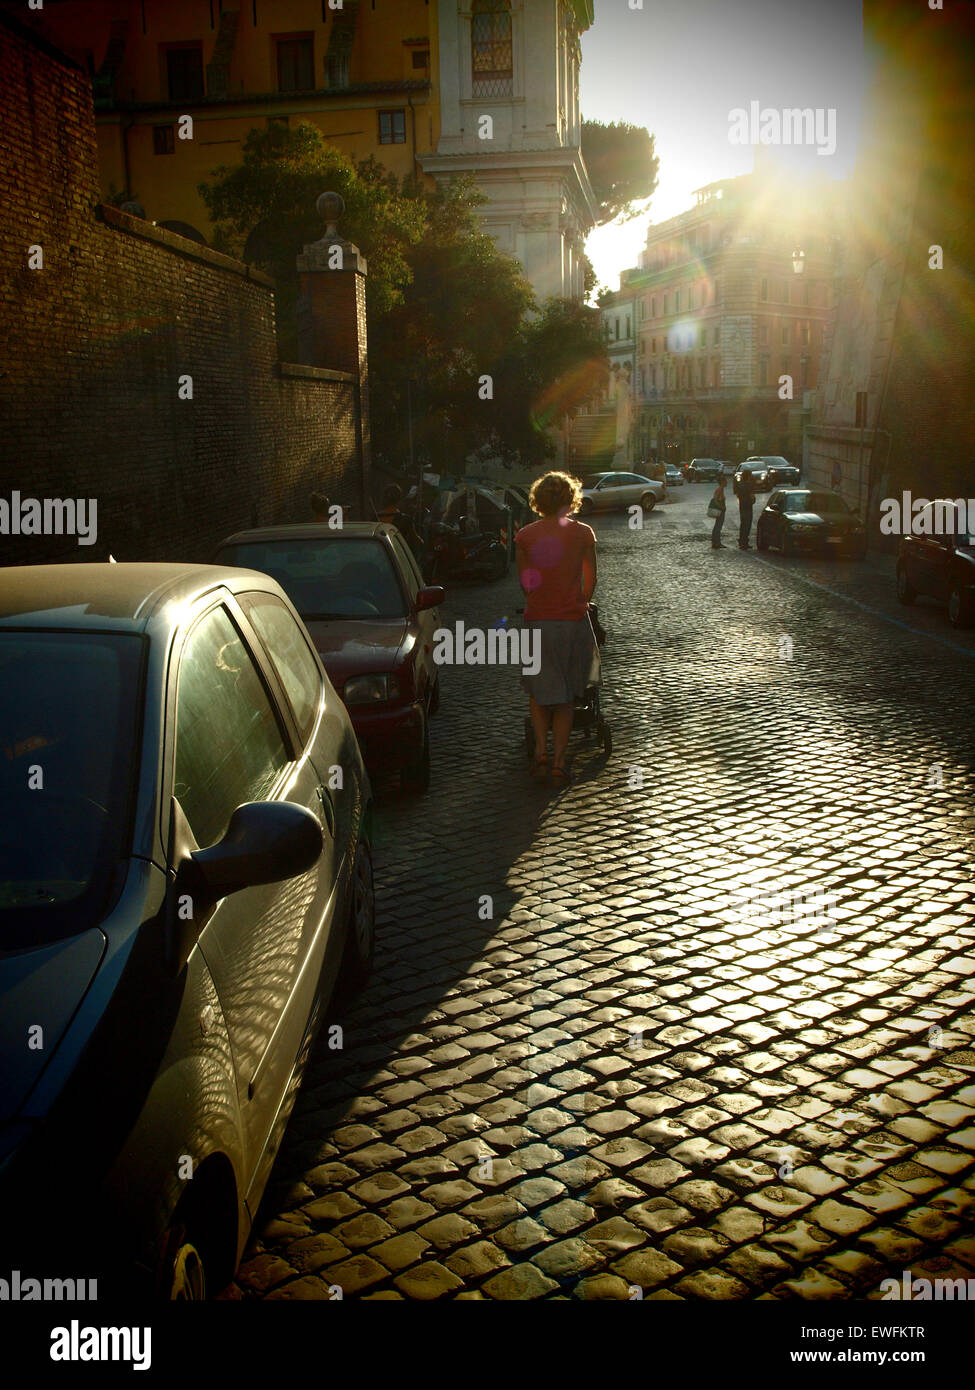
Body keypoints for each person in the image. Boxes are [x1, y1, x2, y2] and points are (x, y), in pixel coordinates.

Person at [516, 471, 598, 787]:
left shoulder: (526, 535)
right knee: (565, 696)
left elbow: (526, 583)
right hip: (570, 621)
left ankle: (540, 752)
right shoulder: (583, 534)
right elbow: (591, 579)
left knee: (538, 693)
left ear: (539, 500)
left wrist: (539, 602)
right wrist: (581, 602)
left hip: (538, 620)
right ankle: (560, 763)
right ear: (571, 499)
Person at [377, 483, 422, 557]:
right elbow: (415, 539)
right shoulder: (405, 519)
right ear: (399, 500)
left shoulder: (375, 518)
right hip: (399, 557)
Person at [735, 466, 756, 549]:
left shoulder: (739, 484)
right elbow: (752, 496)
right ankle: (745, 542)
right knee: (747, 524)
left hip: (742, 505)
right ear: (749, 476)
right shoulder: (749, 485)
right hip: (748, 506)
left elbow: (737, 494)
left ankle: (741, 541)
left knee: (743, 523)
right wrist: (753, 500)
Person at [709, 473, 727, 549]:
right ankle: (716, 542)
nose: (727, 483)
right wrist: (721, 507)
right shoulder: (719, 489)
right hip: (720, 509)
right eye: (725, 481)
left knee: (718, 525)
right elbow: (715, 499)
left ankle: (716, 542)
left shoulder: (721, 489)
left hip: (721, 509)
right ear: (722, 482)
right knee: (718, 526)